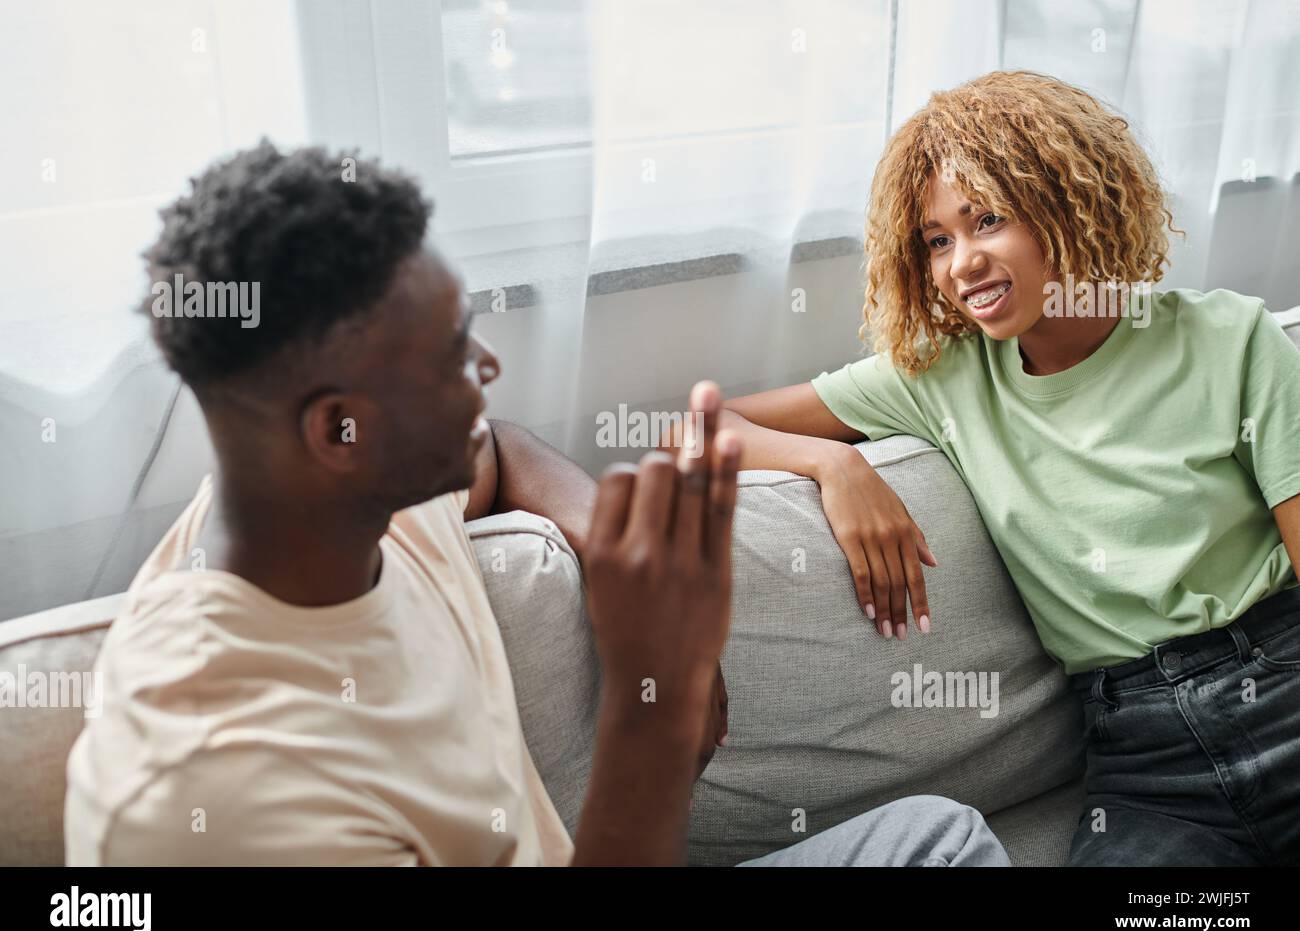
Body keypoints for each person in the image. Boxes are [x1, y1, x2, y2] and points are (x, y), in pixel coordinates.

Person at [64, 141, 1008, 867]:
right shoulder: (212, 786)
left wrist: (606, 547)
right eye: (449, 353)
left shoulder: (343, 503)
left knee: (938, 840)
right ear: (337, 428)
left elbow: (500, 447)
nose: (487, 369)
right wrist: (659, 693)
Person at [718, 71, 1300, 866]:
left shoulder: (1233, 339)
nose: (961, 264)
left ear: (1068, 200)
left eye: (987, 219)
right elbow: (700, 425)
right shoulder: (944, 378)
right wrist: (830, 464)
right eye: (937, 240)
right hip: (1148, 762)